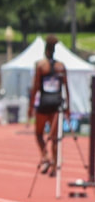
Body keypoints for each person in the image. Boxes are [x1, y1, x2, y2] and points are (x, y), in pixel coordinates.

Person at [29, 35, 70, 175]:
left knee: (38, 134)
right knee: (55, 138)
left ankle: (46, 157)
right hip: (57, 104)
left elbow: (35, 87)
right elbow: (66, 88)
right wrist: (68, 108)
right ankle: (54, 165)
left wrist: (30, 107)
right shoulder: (61, 66)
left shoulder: (40, 65)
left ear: (45, 50)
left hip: (44, 103)